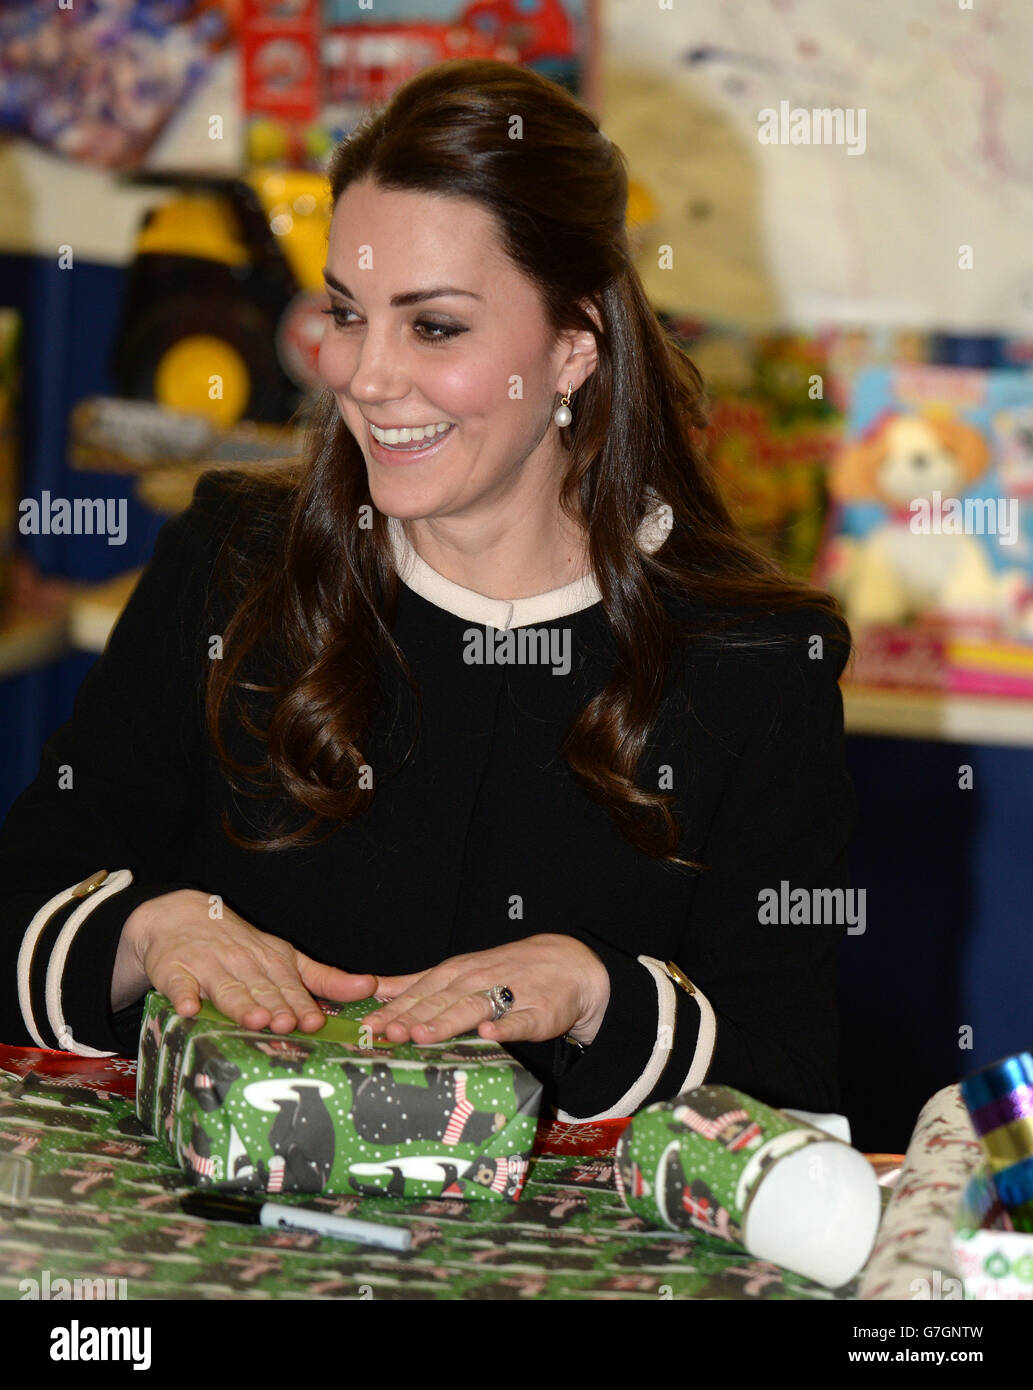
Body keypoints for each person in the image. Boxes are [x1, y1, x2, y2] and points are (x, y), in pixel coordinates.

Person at [0, 60, 856, 1123]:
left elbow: (795, 1094)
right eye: (348, 315)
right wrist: (146, 933)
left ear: (573, 345)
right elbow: (24, 898)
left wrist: (594, 993)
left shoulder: (755, 664)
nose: (363, 376)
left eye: (434, 326)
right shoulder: (231, 562)